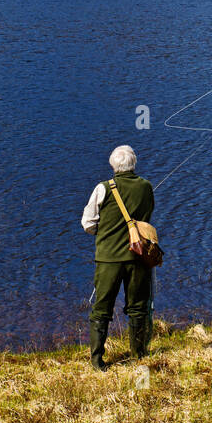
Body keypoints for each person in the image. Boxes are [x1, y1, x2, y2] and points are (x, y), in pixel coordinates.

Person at [81, 145, 155, 371]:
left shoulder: (102, 189)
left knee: (102, 308)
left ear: (113, 165)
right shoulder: (146, 187)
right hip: (138, 258)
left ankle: (97, 361)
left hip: (108, 259)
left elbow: (88, 224)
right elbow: (147, 217)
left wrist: (105, 231)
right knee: (139, 307)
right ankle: (139, 356)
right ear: (134, 164)